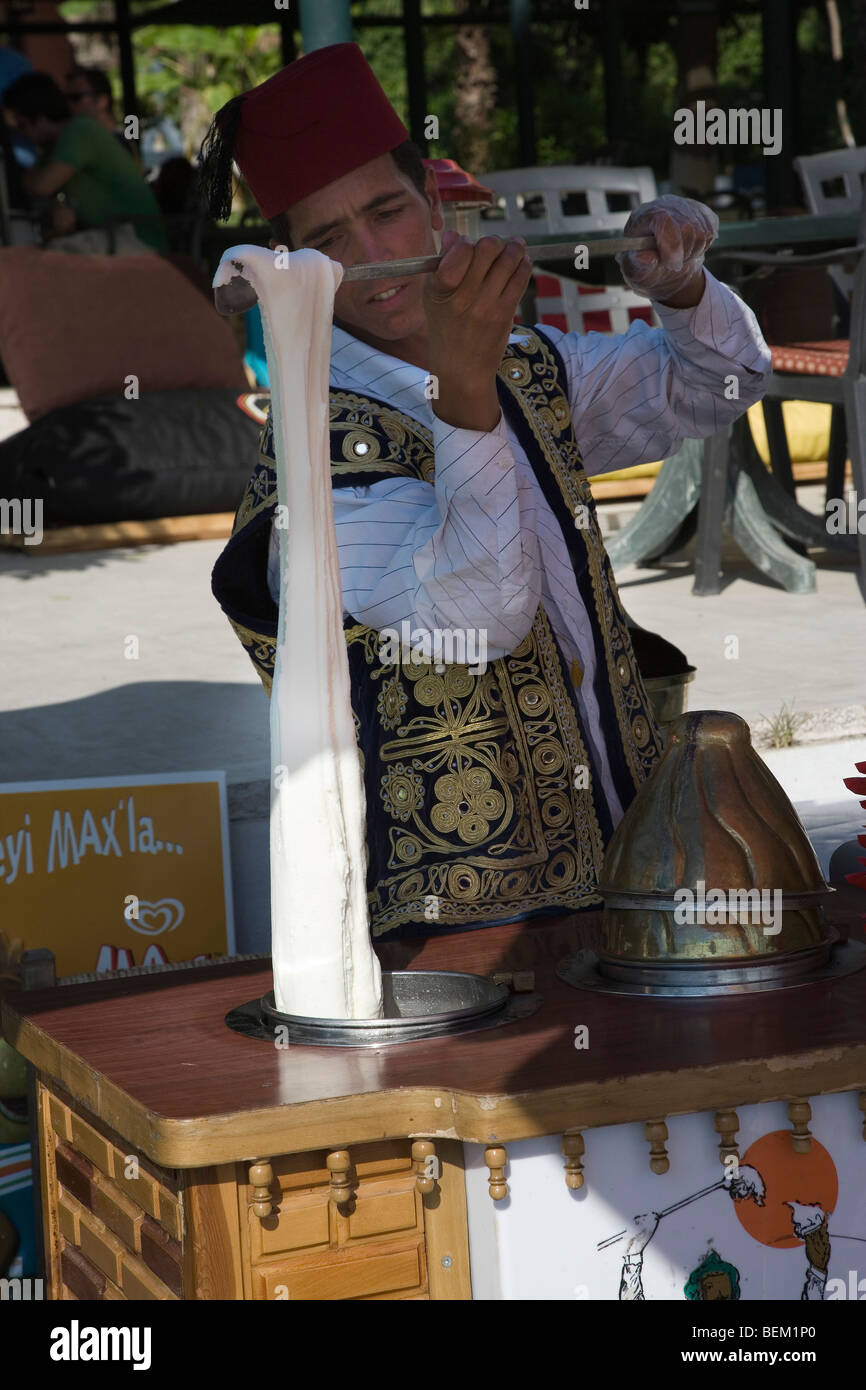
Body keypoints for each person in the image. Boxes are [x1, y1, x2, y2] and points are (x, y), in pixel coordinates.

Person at [206, 43, 772, 942]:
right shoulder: (314, 462)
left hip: (622, 867)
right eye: (327, 241)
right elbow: (481, 613)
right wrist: (464, 394)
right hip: (451, 943)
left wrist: (681, 286)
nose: (370, 257)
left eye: (388, 213)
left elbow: (722, 387)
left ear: (434, 208)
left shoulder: (528, 366)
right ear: (292, 265)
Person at [2, 72, 165, 249]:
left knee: (48, 258)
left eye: (76, 98)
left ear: (39, 118)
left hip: (133, 238)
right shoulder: (58, 144)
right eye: (65, 97)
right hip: (113, 235)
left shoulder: (81, 130)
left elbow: (40, 186)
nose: (67, 104)